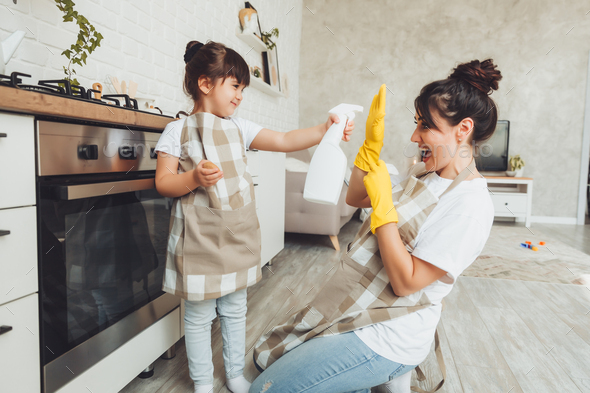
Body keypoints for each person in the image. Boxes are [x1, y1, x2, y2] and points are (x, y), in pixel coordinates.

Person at [250, 59, 501, 393]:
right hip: (359, 308)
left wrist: (384, 210)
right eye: (416, 123)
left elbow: (405, 282)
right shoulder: (422, 174)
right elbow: (355, 197)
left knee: (266, 390)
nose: (414, 136)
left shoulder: (470, 205)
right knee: (264, 363)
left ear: (463, 129)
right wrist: (368, 151)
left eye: (425, 125)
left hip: (392, 335)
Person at [154, 40, 355, 393]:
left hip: (237, 236)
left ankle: (233, 374)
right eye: (235, 86)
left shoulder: (240, 128)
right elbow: (164, 183)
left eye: (243, 88)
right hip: (199, 240)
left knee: (234, 309)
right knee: (199, 317)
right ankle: (202, 382)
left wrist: (324, 131)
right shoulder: (177, 131)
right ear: (205, 84)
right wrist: (194, 178)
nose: (240, 96)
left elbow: (284, 139)